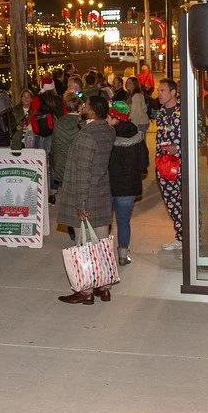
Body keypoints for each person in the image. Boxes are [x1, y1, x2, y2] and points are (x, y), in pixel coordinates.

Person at [54, 94, 115, 305]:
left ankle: (86, 290)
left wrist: (80, 204)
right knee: (102, 243)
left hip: (86, 197)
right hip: (101, 195)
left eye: (86, 105)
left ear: (93, 111)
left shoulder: (87, 136)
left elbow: (83, 172)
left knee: (84, 247)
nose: (82, 106)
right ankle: (104, 287)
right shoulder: (107, 131)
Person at [107, 100, 148, 266]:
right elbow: (143, 164)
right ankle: (123, 256)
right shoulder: (138, 136)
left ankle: (103, 255)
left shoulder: (107, 136)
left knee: (105, 221)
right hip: (128, 187)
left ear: (115, 117)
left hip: (109, 186)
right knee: (123, 221)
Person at [156, 78, 184, 251]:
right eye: (158, 91)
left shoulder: (184, 111)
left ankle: (192, 241)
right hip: (164, 167)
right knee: (171, 203)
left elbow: (200, 137)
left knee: (185, 203)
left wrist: (178, 148)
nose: (159, 94)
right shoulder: (160, 113)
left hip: (181, 166)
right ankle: (181, 237)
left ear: (173, 92)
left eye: (162, 91)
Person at [49, 91, 83, 195]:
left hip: (61, 166)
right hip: (78, 166)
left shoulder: (59, 122)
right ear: (79, 106)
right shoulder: (82, 124)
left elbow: (54, 147)